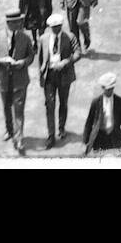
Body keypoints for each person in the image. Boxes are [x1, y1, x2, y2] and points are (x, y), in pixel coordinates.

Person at [0, 9, 34, 154]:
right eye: (16, 22)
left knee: (19, 111)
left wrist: (23, 62)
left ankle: (19, 139)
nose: (20, 24)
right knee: (7, 108)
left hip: (20, 80)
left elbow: (31, 56)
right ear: (8, 23)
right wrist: (2, 60)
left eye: (20, 21)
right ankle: (9, 130)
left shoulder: (25, 38)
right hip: (3, 79)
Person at [38, 10, 79, 149]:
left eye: (59, 26)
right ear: (49, 27)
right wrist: (41, 75)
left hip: (64, 75)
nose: (56, 29)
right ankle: (51, 136)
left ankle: (61, 128)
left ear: (62, 25)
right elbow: (40, 59)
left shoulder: (70, 37)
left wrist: (66, 62)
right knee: (49, 105)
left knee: (63, 103)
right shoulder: (43, 38)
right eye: (53, 27)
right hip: (49, 75)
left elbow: (77, 53)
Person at [83, 73, 121, 153]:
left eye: (111, 89)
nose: (110, 91)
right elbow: (89, 121)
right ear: (103, 88)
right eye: (107, 89)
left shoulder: (120, 101)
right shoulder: (96, 102)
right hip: (99, 137)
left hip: (114, 137)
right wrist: (86, 139)